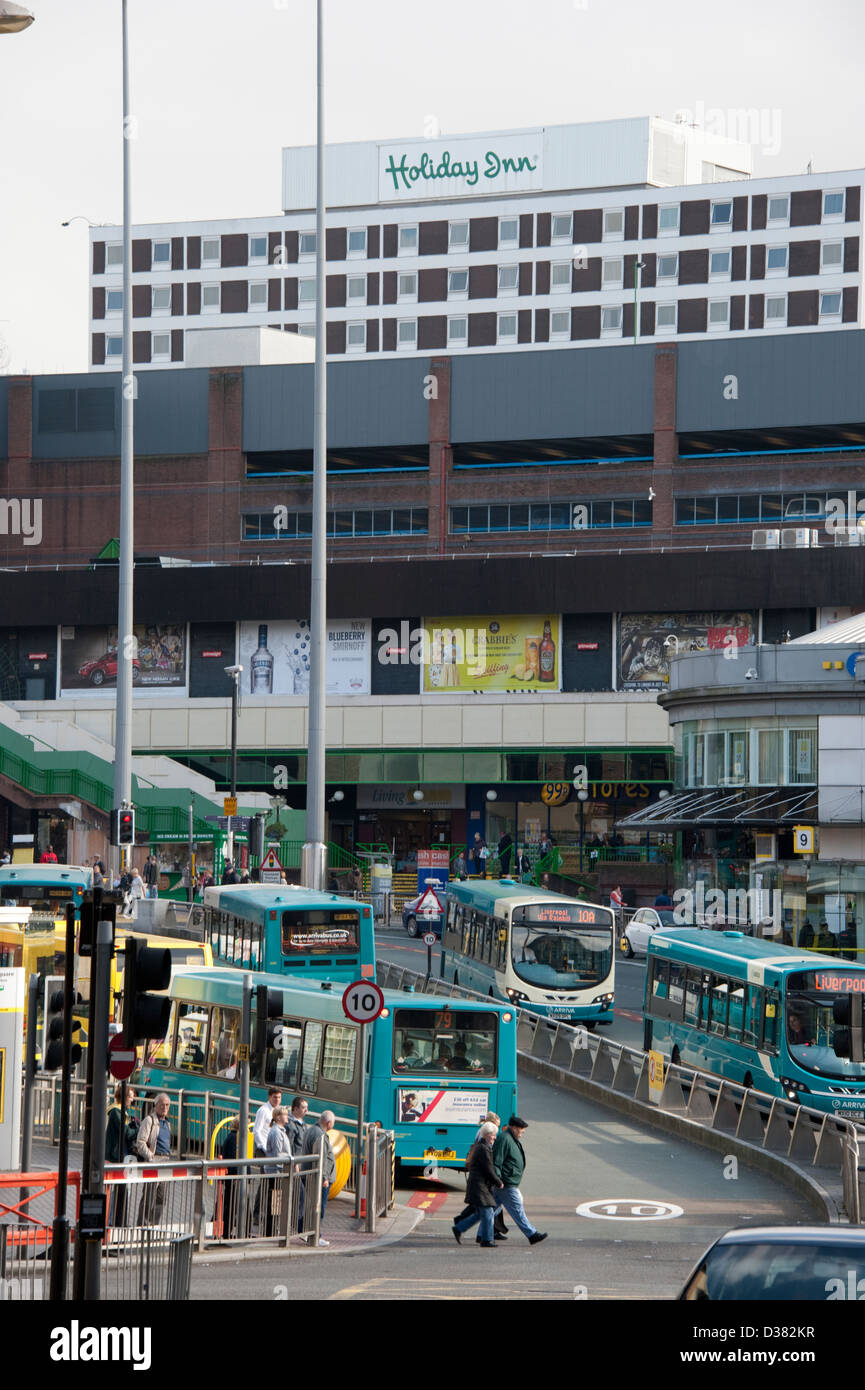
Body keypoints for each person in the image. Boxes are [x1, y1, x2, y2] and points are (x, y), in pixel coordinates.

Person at [492, 1115, 547, 1245]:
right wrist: (498, 1179)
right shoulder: (505, 1139)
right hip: (505, 1183)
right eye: (521, 1130)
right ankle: (531, 1234)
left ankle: (464, 1227)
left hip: (508, 1181)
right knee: (517, 1209)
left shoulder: (511, 1137)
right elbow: (497, 1161)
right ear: (515, 1128)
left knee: (490, 1210)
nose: (522, 1133)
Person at [452, 1122, 503, 1247]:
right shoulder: (483, 1149)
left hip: (480, 1185)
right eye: (493, 1135)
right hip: (479, 1186)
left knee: (482, 1213)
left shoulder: (483, 1147)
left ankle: (459, 1228)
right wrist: (498, 1181)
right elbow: (488, 1169)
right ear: (486, 1135)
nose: (495, 1138)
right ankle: (486, 1240)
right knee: (487, 1212)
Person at [134, 1093, 172, 1223]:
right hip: (154, 1160)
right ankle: (142, 1226)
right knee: (149, 1197)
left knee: (161, 1197)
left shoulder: (167, 1122)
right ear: (155, 1106)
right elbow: (140, 1142)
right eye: (162, 1105)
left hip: (165, 1162)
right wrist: (150, 1157)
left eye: (167, 1105)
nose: (165, 1108)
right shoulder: (149, 1120)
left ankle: (154, 1225)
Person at [301, 1110, 336, 1246]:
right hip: (318, 1179)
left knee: (311, 1207)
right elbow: (322, 1158)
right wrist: (324, 1178)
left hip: (310, 1175)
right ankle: (316, 1236)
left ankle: (308, 1233)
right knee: (318, 1208)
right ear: (329, 1123)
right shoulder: (320, 1135)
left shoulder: (311, 1130)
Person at [106, 1084, 139, 1226]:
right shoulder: (116, 1112)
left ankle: (120, 1220)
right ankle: (113, 1221)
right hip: (115, 1157)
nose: (132, 1100)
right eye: (131, 1097)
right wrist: (138, 1129)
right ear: (124, 1097)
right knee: (116, 1191)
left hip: (123, 1155)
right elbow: (126, 1133)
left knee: (125, 1189)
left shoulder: (121, 1112)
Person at [264, 1107, 293, 1236]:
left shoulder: (280, 1131)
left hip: (278, 1171)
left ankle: (273, 1229)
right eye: (285, 1114)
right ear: (278, 1117)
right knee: (274, 1203)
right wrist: (289, 1161)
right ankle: (270, 1231)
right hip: (275, 1172)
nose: (288, 1117)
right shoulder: (276, 1132)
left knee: (276, 1202)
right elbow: (277, 1154)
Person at [253, 1086, 282, 1157]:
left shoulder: (279, 1110)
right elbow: (256, 1131)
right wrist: (264, 1148)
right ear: (269, 1097)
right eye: (275, 1097)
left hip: (274, 1149)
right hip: (265, 1150)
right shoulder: (263, 1110)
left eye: (279, 1097)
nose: (277, 1100)